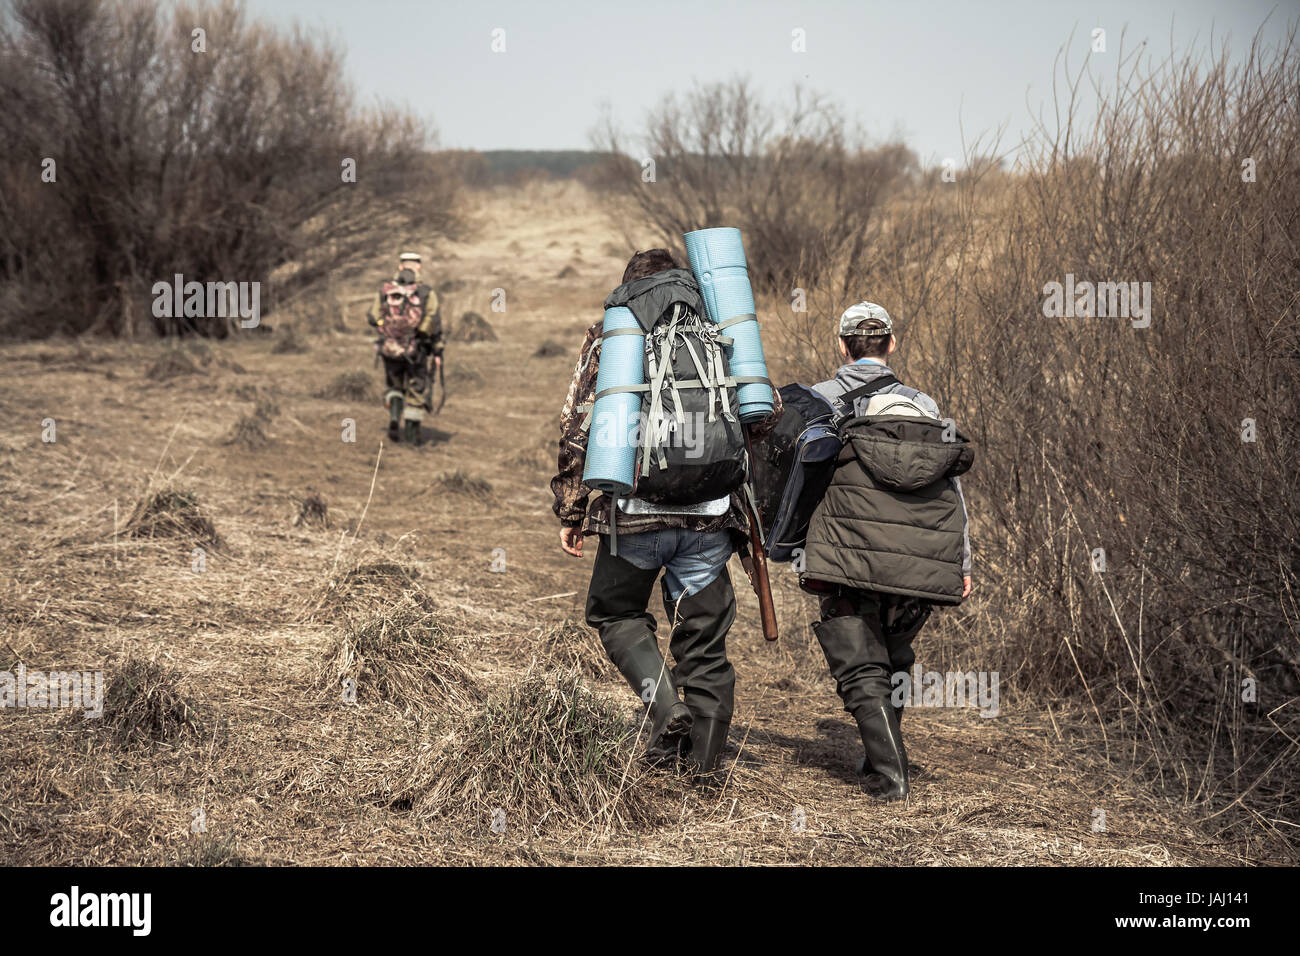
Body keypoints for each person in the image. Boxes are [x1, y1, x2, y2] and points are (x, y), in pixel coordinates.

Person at [551, 249, 779, 784]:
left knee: (617, 615)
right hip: (711, 518)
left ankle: (665, 707)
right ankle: (703, 767)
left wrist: (572, 508)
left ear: (628, 289)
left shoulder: (613, 336)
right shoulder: (720, 330)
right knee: (703, 639)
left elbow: (580, 424)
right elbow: (763, 419)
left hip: (632, 516)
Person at [801, 301, 973, 800]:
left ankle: (891, 772)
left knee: (859, 661)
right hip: (919, 553)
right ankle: (881, 754)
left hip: (850, 552)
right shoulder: (925, 408)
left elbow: (800, 483)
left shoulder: (820, 401)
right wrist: (961, 561)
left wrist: (790, 547)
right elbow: (952, 489)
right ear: (891, 345)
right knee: (894, 654)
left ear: (841, 345)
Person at [369, 253, 443, 444]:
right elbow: (434, 321)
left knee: (394, 386)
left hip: (389, 349)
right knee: (416, 389)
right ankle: (411, 436)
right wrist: (437, 349)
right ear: (419, 267)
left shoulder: (385, 289)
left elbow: (372, 316)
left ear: (400, 267)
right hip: (416, 349)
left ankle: (394, 418)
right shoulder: (426, 292)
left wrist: (385, 329)